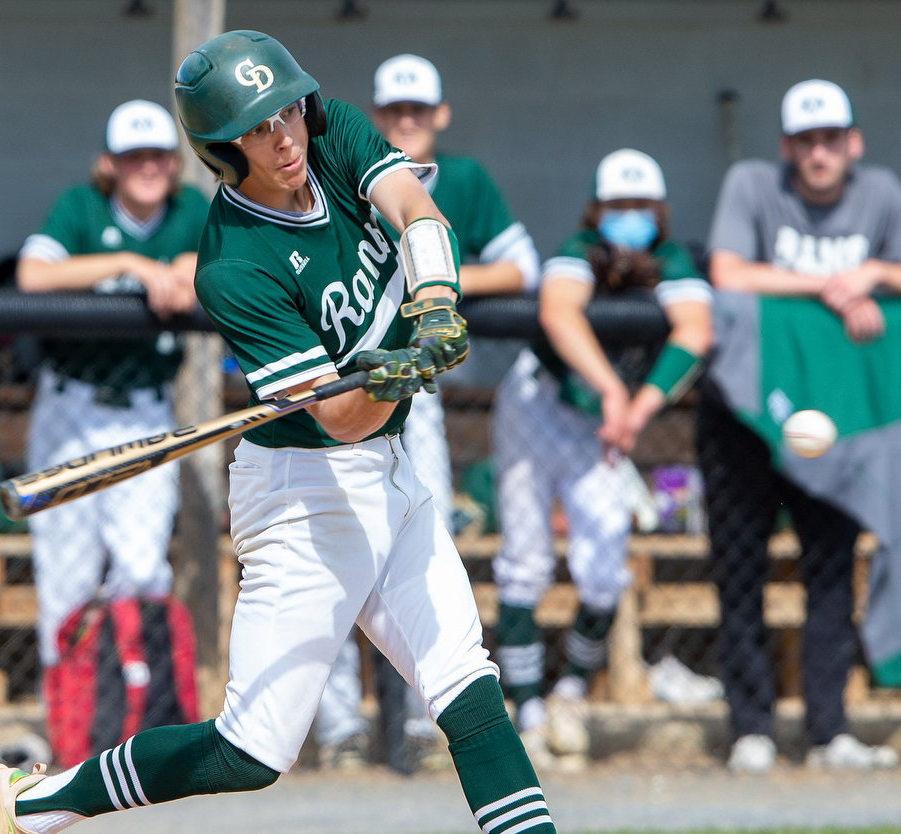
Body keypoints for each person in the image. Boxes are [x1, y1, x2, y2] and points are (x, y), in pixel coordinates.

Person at [0, 31, 556, 834]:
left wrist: (436, 300)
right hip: (305, 497)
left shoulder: (334, 131)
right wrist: (406, 367)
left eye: (287, 112)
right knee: (250, 753)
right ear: (221, 149)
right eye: (258, 127)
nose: (285, 137)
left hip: (391, 468)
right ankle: (28, 805)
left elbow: (416, 207)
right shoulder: (232, 264)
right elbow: (340, 417)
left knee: (465, 683)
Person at [314, 52, 542, 771]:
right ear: (377, 118)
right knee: (330, 553)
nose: (406, 121)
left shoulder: (463, 181)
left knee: (425, 549)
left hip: (418, 391)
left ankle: (424, 721)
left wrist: (433, 272)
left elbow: (520, 267)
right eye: (394, 113)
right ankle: (338, 728)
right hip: (338, 391)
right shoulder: (346, 177)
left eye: (418, 111)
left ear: (439, 115)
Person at [700, 79, 901, 773]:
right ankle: (750, 726)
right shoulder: (753, 183)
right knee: (740, 569)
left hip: (838, 416)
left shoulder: (882, 194)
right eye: (806, 141)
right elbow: (726, 272)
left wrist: (875, 270)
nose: (820, 153)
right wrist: (832, 286)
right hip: (748, 412)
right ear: (787, 147)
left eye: (832, 139)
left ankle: (827, 730)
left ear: (854, 142)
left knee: (830, 568)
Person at [492, 149, 713, 769]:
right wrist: (615, 391)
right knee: (526, 561)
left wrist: (635, 410)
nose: (630, 218)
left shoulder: (671, 259)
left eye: (641, 206)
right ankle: (528, 710)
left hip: (603, 425)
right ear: (596, 209)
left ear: (661, 210)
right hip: (541, 403)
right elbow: (559, 312)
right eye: (618, 206)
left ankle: (569, 695)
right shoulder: (577, 247)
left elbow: (694, 330)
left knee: (605, 559)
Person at [13, 100, 209, 678]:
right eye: (132, 157)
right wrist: (130, 263)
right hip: (71, 406)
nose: (146, 167)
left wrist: (187, 268)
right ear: (109, 164)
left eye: (157, 156)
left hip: (145, 413)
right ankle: (69, 720)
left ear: (174, 163)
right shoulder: (81, 207)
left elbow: (234, 264)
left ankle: (131, 716)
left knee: (143, 569)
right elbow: (33, 275)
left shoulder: (189, 209)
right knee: (66, 573)